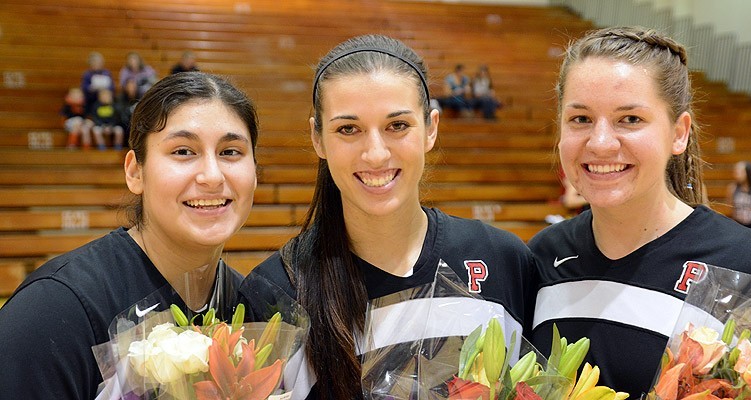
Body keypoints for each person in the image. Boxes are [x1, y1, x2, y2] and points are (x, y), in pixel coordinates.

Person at [239, 34, 536, 400]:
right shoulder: (274, 291)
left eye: (397, 125)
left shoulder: (502, 258)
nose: (376, 154)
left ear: (431, 128)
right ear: (318, 138)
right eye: (348, 129)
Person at [527, 26, 751, 397]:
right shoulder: (541, 256)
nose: (600, 143)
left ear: (679, 133)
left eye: (630, 119)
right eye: (580, 119)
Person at [0, 71, 260, 399]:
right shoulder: (53, 311)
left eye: (230, 152)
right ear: (135, 172)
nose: (212, 175)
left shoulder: (256, 313)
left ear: (254, 174)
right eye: (183, 151)